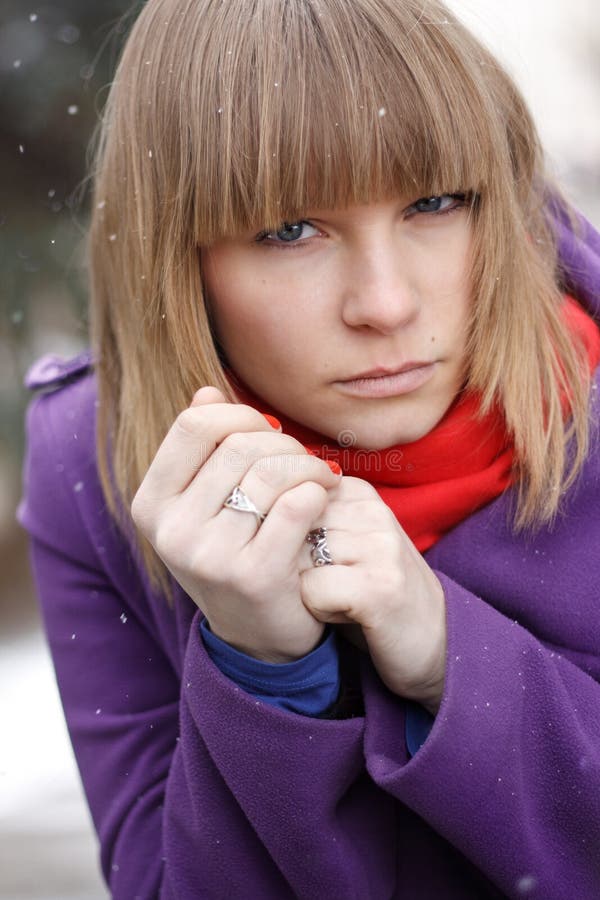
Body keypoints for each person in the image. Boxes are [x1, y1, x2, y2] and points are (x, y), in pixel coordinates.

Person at [17, 0, 600, 897]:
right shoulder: (92, 466)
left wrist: (452, 658)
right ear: (179, 260)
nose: (386, 304)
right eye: (290, 230)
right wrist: (265, 672)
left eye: (435, 203)